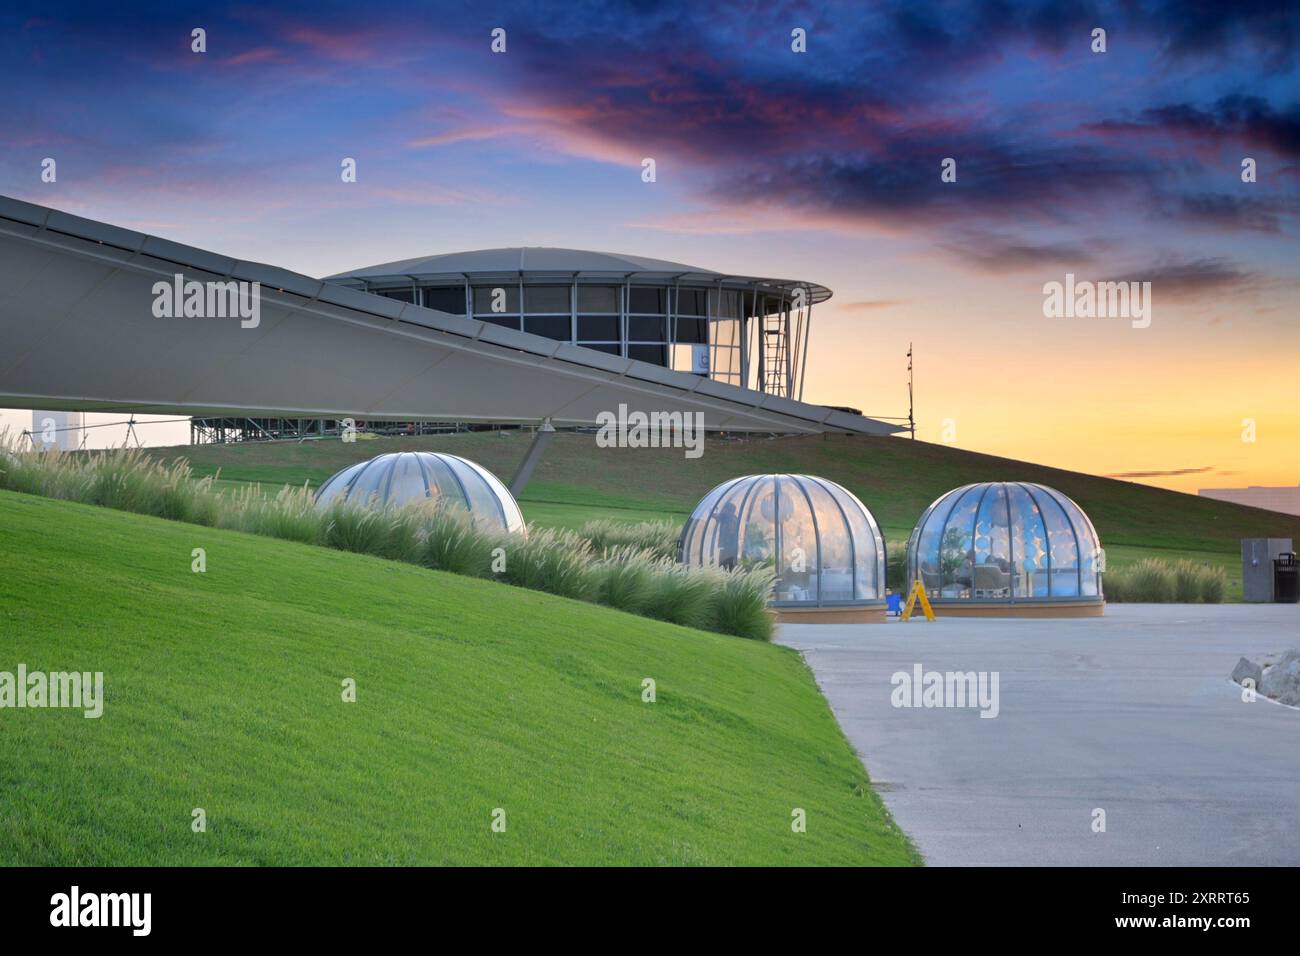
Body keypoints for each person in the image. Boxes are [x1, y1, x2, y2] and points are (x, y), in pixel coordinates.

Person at [716, 502, 739, 569]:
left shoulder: (732, 519)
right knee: (723, 565)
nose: (723, 510)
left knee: (726, 565)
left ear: (730, 511)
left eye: (725, 509)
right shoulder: (725, 517)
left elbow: (731, 531)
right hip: (726, 546)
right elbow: (715, 516)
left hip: (730, 547)